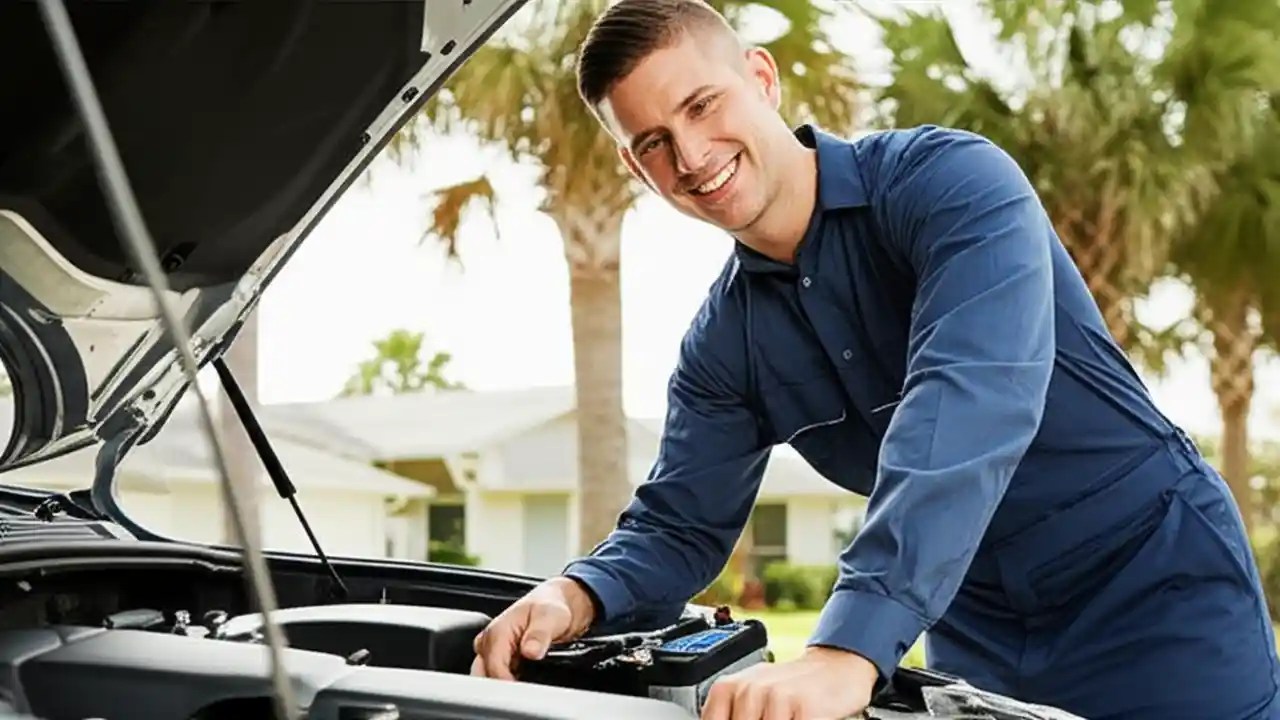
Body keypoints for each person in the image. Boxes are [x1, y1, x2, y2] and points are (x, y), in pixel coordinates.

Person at [469, 1, 1280, 718]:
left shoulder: (954, 185)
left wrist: (848, 647)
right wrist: (577, 594)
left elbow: (964, 403)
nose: (689, 155)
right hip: (979, 629)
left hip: (1154, 588)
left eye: (701, 105)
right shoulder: (721, 347)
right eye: (653, 142)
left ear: (761, 77)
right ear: (633, 166)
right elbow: (680, 524)